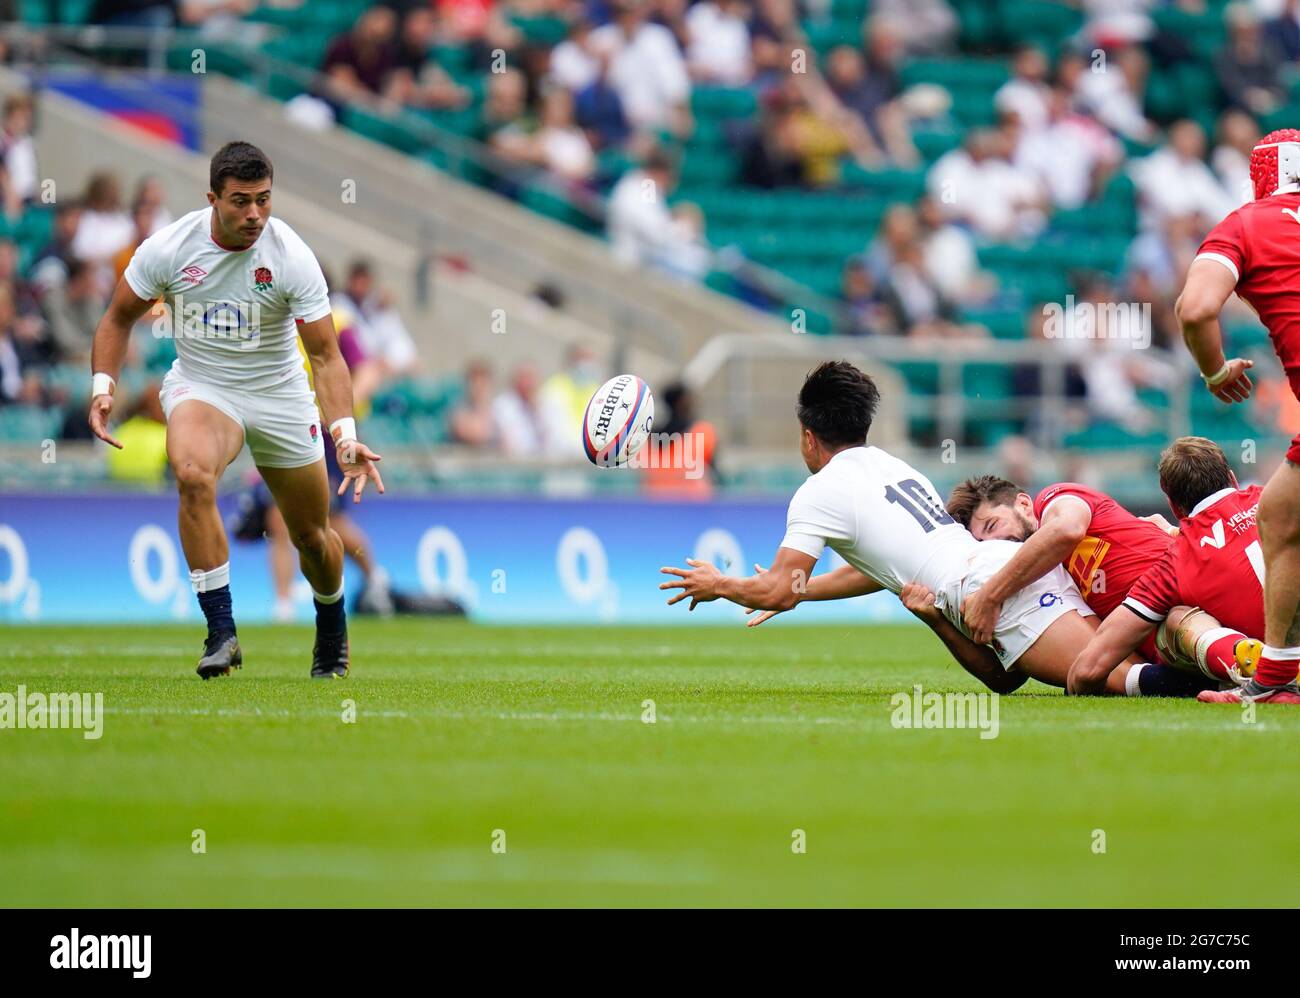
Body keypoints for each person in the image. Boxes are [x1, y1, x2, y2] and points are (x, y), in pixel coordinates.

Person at [87, 141, 383, 679]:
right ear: (212, 199)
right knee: (193, 475)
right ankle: (221, 633)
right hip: (205, 387)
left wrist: (343, 433)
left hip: (281, 396)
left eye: (263, 201)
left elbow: (325, 355)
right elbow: (116, 318)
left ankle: (331, 625)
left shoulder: (291, 256)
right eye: (241, 201)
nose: (254, 215)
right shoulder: (169, 248)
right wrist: (103, 385)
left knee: (312, 537)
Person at [661, 361, 1131, 695]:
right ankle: (1201, 668)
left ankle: (1202, 679)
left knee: (1104, 679)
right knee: (1126, 665)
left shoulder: (819, 490)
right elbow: (886, 569)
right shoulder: (895, 467)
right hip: (1009, 564)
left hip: (981, 585)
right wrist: (798, 591)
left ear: (808, 436)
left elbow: (779, 589)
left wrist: (721, 584)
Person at [1174, 127, 1300, 704]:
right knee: (1279, 515)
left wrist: (1216, 370)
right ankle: (1278, 676)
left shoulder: (1246, 223)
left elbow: (1196, 308)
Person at [942, 473, 1236, 696]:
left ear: (1022, 503)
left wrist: (991, 596)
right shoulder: (1043, 582)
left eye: (993, 525)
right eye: (983, 543)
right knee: (1174, 626)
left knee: (1178, 618)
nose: (994, 544)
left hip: (1196, 581)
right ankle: (1248, 668)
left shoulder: (1054, 501)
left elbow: (1067, 530)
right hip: (1165, 630)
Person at [1067, 437, 1268, 694]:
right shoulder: (1274, 498)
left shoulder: (1173, 563)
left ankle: (1238, 663)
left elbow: (1087, 670)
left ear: (1173, 504)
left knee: (1176, 618)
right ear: (1232, 478)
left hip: (1271, 656)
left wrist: (1075, 685)